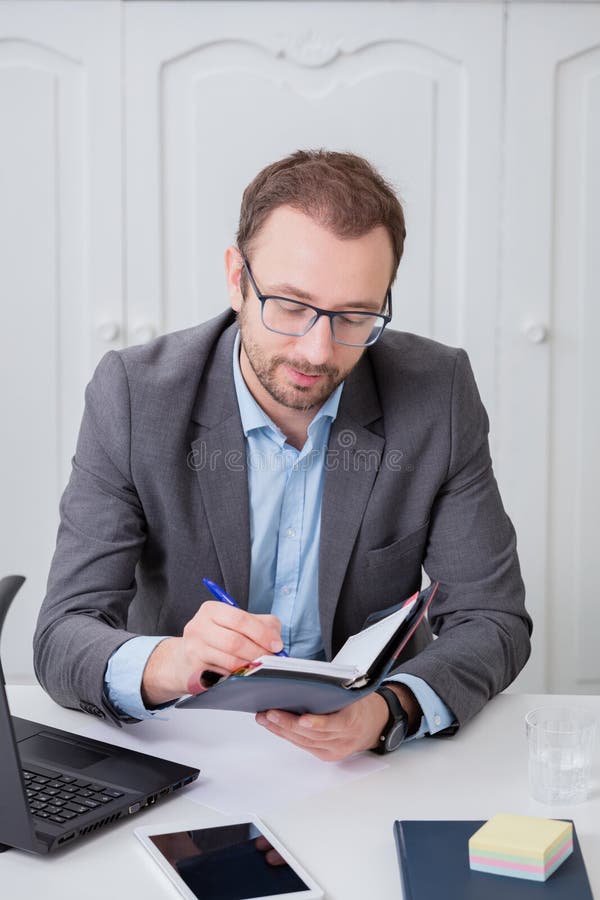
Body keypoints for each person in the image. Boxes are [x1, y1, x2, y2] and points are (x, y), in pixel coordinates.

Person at [34, 150, 531, 761]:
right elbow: (62, 635)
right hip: (188, 747)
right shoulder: (135, 396)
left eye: (355, 315)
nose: (318, 350)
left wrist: (387, 710)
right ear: (237, 279)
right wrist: (176, 662)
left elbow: (493, 619)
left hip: (369, 764)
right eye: (291, 306)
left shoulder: (438, 393)